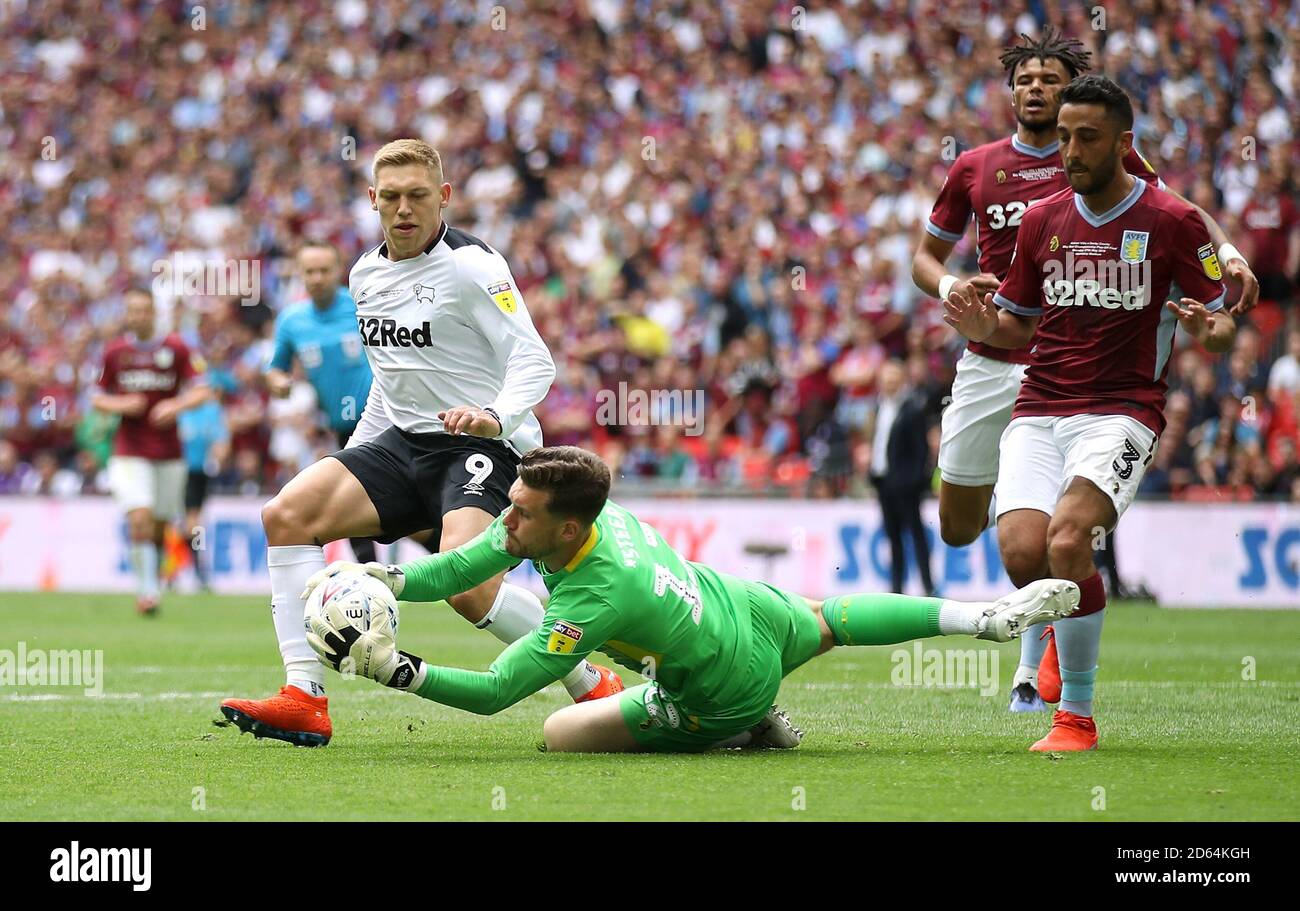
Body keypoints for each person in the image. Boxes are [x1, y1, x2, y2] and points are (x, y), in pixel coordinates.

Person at [220, 139, 619, 747]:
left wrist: (495, 415)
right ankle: (304, 697)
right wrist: (351, 458)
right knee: (286, 515)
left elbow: (533, 360)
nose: (404, 209)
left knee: (467, 588)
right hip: (402, 443)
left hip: (478, 448)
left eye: (419, 196)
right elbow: (390, 378)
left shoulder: (473, 266)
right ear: (372, 198)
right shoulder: (365, 274)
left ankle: (589, 683)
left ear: (445, 197)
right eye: (393, 197)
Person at [299, 446, 1081, 753]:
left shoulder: (592, 602)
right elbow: (460, 563)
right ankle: (979, 616)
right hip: (748, 609)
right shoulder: (588, 520)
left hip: (721, 686)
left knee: (558, 732)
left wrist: (398, 672)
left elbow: (498, 690)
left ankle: (739, 728)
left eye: (520, 511)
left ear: (563, 526)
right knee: (833, 618)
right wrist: (386, 580)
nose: (506, 519)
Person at [911, 28, 1257, 713]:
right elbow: (924, 258)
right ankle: (1041, 562)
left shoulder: (1100, 152)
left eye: (1050, 79)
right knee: (959, 527)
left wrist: (1231, 256)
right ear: (1010, 91)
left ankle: (1039, 661)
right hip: (995, 348)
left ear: (1076, 97)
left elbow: (1182, 214)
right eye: (1025, 79)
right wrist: (952, 289)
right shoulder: (977, 167)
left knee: (1057, 533)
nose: (1036, 88)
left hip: (1072, 362)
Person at [92, 288, 211, 615]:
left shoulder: (176, 348)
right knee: (140, 516)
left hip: (169, 453)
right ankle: (147, 592)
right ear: (126, 314)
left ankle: (152, 581)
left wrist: (176, 404)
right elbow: (97, 397)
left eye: (144, 310)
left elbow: (202, 390)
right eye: (133, 310)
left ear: (153, 313)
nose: (138, 316)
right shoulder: (115, 352)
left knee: (159, 524)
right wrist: (122, 403)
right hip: (128, 451)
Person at [265, 242, 378, 564]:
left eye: (323, 270)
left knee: (361, 499)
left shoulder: (361, 304)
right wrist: (278, 382)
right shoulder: (292, 320)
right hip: (342, 428)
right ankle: (372, 573)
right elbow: (275, 369)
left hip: (384, 419)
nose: (316, 278)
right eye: (309, 271)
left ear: (338, 270)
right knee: (355, 504)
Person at [868, 360, 935, 595]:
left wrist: (914, 482)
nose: (890, 382)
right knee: (893, 538)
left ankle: (928, 587)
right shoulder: (879, 407)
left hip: (905, 486)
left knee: (916, 537)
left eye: (894, 377)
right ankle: (896, 589)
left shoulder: (912, 409)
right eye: (886, 378)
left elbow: (921, 450)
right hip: (884, 482)